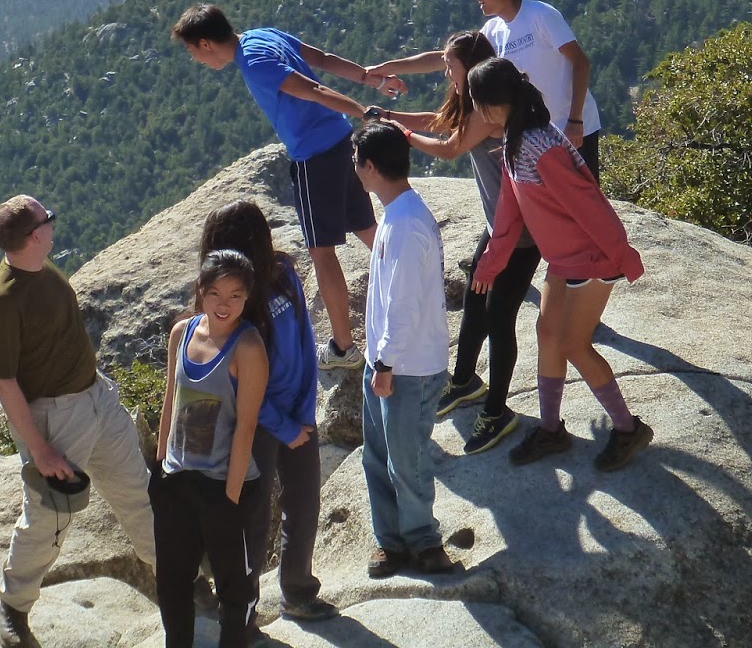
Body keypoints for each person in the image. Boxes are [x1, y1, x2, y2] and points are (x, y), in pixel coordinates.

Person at [173, 3, 402, 371]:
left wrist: (367, 112)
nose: (196, 60)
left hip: (314, 155)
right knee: (364, 226)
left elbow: (312, 89)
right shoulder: (263, 36)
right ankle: (413, 285)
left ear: (204, 43)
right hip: (340, 138)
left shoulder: (254, 62)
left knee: (322, 252)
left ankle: (344, 348)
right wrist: (369, 78)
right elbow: (323, 58)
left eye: (192, 52)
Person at [0, 195, 156, 648]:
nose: (53, 226)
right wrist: (39, 450)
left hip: (95, 397)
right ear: (34, 235)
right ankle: (14, 608)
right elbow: (3, 382)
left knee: (139, 491)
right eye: (48, 220)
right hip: (56, 418)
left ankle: (182, 580)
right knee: (49, 518)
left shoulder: (41, 271)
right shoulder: (2, 301)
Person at [466, 58, 653, 471]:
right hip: (563, 259)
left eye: (477, 103)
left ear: (494, 106)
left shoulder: (539, 146)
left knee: (572, 343)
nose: (476, 112)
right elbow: (508, 213)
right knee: (548, 333)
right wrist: (489, 265)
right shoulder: (517, 142)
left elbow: (587, 203)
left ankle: (627, 428)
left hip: (592, 257)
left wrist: (623, 256)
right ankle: (551, 430)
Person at [381, 31, 541, 455]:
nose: (446, 72)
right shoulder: (480, 100)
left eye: (450, 66)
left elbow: (450, 148)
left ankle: (497, 411)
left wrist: (404, 135)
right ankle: (465, 379)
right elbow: (441, 120)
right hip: (499, 223)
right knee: (475, 298)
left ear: (469, 69)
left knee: (500, 315)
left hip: (520, 236)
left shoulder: (486, 113)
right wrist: (391, 116)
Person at [198, 201, 337, 627]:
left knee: (304, 504)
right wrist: (284, 425)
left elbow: (303, 337)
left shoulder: (283, 273)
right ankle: (241, 612)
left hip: (297, 413)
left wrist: (304, 414)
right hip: (256, 424)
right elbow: (241, 384)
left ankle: (298, 591)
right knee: (252, 523)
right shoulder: (231, 303)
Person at [367, 0, 602, 171]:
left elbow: (580, 62)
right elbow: (444, 58)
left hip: (573, 127)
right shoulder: (492, 30)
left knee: (584, 204)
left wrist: (575, 120)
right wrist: (387, 67)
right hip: (536, 134)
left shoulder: (541, 15)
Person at [350, 124, 455, 579]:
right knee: (378, 454)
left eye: (356, 160)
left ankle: (424, 543)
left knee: (406, 459)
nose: (354, 169)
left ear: (370, 167)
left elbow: (404, 301)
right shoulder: (398, 212)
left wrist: (387, 363)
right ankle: (389, 543)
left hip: (406, 367)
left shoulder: (407, 222)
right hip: (387, 362)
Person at [153, 249, 270, 648]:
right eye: (216, 293)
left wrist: (230, 497)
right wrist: (161, 469)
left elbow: (247, 426)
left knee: (233, 588)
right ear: (200, 290)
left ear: (247, 298)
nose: (225, 304)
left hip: (224, 483)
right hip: (177, 477)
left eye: (236, 296)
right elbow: (171, 399)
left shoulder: (248, 347)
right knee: (171, 583)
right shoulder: (181, 333)